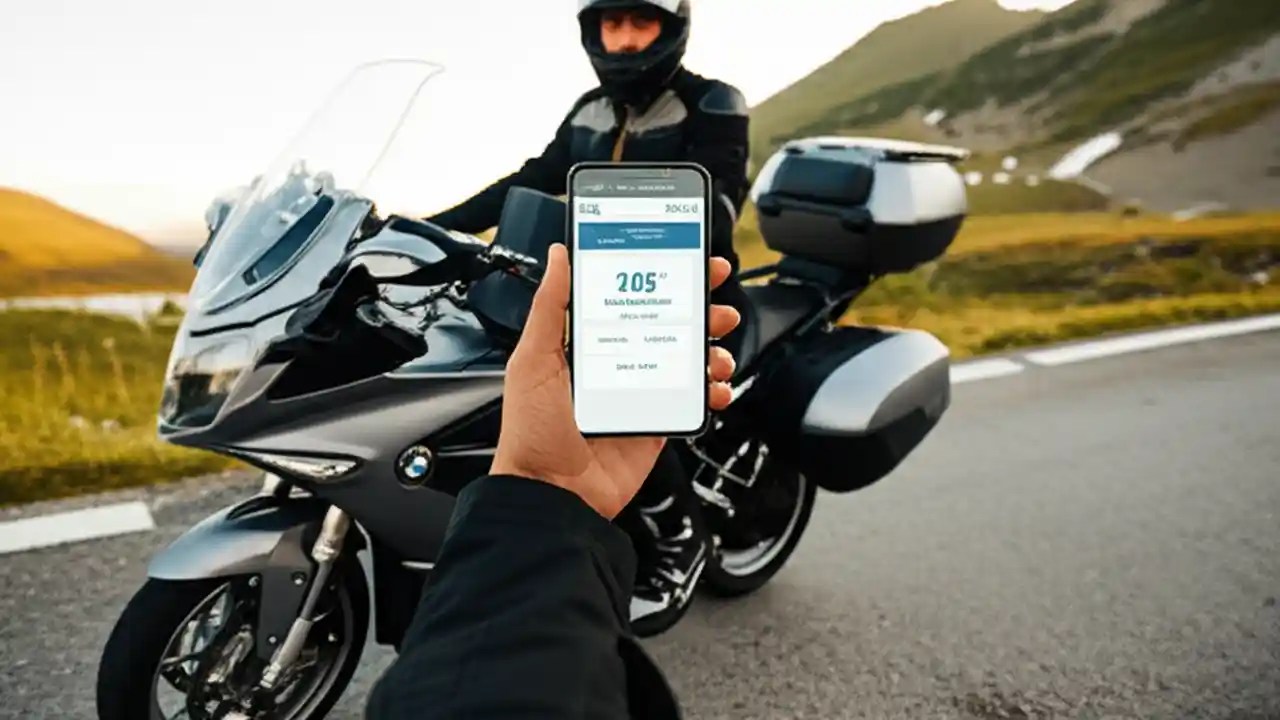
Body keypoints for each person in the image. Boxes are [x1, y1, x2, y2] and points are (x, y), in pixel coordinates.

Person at [424, 0, 752, 636]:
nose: (625, 41)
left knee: (628, 376)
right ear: (592, 30)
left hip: (690, 289)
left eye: (642, 23)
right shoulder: (588, 110)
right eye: (613, 23)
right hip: (586, 284)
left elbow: (721, 200)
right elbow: (531, 179)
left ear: (673, 28)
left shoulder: (713, 102)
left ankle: (679, 538)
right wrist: (434, 226)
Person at [365, 244, 741, 719]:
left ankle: (680, 535)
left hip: (716, 296)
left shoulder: (705, 164)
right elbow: (532, 174)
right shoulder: (582, 162)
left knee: (673, 395)